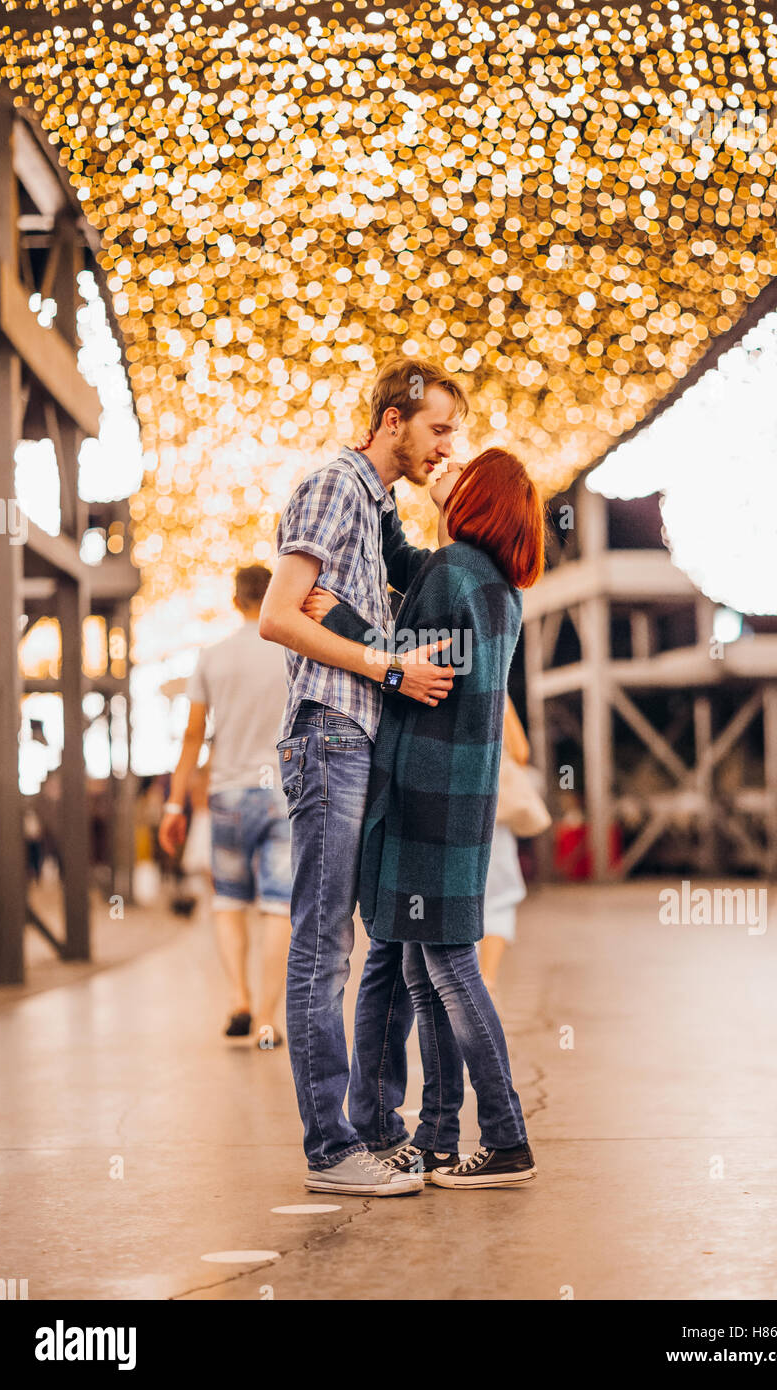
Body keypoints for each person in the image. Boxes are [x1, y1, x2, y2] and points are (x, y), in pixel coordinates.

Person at [306, 447, 544, 1189]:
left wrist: (336, 614)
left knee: (446, 967)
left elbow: (416, 665)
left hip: (426, 793)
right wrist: (382, 501)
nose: (446, 469)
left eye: (460, 473)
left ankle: (505, 1138)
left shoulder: (455, 574)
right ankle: (441, 1136)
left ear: (479, 499)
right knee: (423, 964)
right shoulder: (491, 583)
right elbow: (410, 565)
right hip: (460, 796)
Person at [259, 357, 467, 1197]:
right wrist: (388, 669)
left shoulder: (375, 506)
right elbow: (278, 615)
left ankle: (364, 1133)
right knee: (322, 947)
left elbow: (357, 610)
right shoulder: (337, 483)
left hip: (355, 739)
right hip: (330, 733)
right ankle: (330, 1151)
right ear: (392, 420)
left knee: (359, 942)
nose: (448, 446)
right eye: (439, 428)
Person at [159, 565, 292, 1046]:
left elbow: (193, 738)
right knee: (279, 906)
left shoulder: (212, 657)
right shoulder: (293, 647)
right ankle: (264, 1018)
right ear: (274, 592)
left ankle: (238, 996)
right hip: (283, 790)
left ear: (236, 601)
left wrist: (175, 807)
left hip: (228, 792)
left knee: (229, 900)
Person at [480, 696, 530, 997]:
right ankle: (486, 980)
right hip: (492, 807)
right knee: (498, 898)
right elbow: (521, 752)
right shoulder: (496, 688)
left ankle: (456, 984)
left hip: (445, 804)